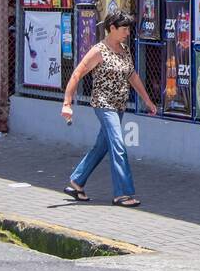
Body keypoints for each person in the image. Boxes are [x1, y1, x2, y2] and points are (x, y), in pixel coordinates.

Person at [62, 11, 157, 206]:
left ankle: (76, 182)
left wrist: (147, 100)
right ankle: (122, 193)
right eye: (123, 29)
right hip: (104, 105)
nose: (127, 33)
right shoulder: (98, 50)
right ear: (111, 28)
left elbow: (132, 76)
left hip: (119, 105)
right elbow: (77, 73)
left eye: (128, 29)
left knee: (101, 147)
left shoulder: (124, 49)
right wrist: (67, 104)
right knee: (118, 145)